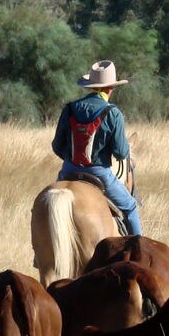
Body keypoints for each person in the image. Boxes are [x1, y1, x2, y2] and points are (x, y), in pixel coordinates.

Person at [51, 59, 142, 235]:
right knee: (130, 207)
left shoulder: (69, 109)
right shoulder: (113, 113)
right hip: (99, 173)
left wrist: (73, 160)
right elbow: (121, 152)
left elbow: (57, 145)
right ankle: (139, 251)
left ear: (90, 87)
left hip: (68, 170)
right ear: (111, 88)